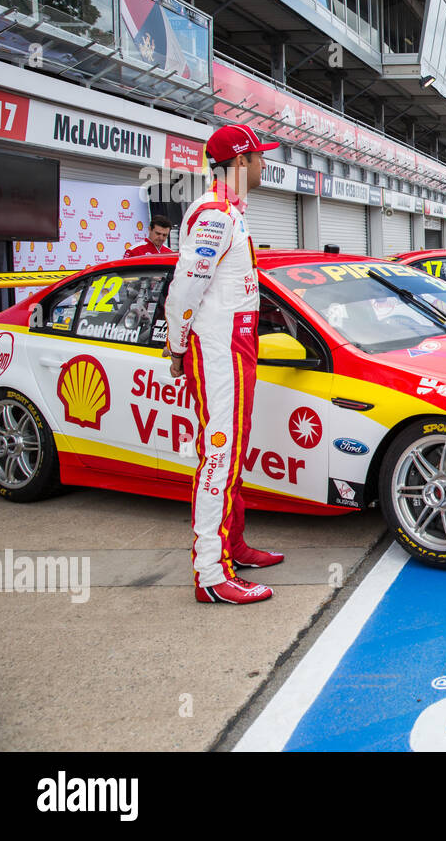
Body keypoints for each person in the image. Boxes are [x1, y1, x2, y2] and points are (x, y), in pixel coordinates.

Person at [165, 123, 285, 605]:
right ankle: (212, 573)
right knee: (219, 454)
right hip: (220, 354)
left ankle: (232, 546)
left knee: (232, 453)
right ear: (240, 163)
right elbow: (185, 289)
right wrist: (176, 347)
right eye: (258, 157)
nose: (263, 164)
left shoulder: (230, 211)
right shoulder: (215, 214)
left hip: (234, 349)